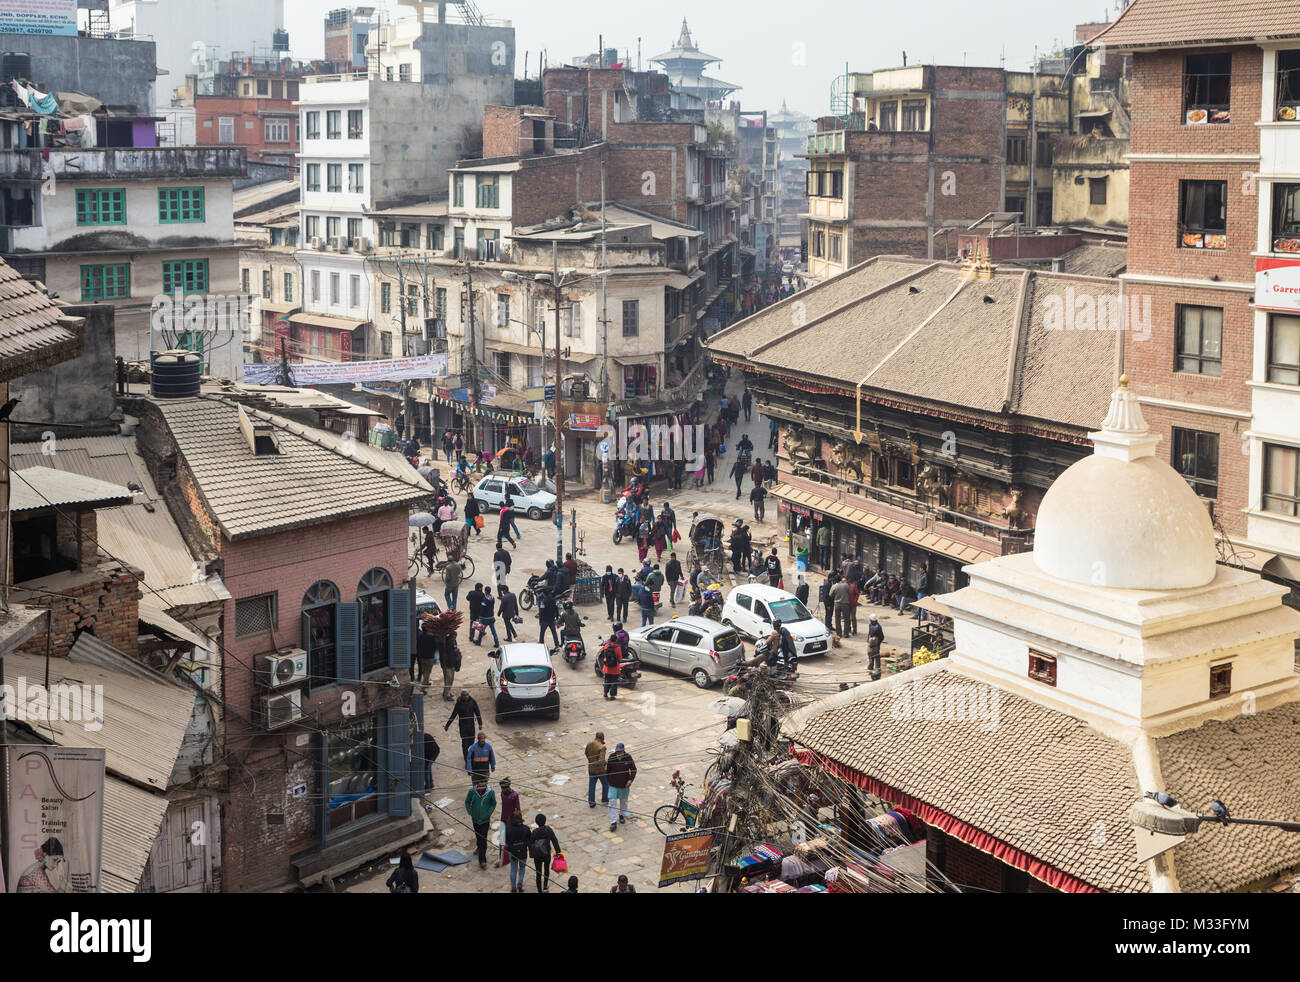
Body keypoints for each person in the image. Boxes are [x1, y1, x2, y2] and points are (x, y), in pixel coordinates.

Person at [465, 777, 497, 869]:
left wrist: (488, 813)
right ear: (477, 782)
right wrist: (470, 811)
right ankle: (479, 848)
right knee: (478, 835)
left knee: (483, 838)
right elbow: (467, 802)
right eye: (480, 782)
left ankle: (482, 860)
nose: (482, 784)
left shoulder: (490, 792)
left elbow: (493, 803)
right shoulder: (472, 791)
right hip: (475, 819)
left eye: (484, 781)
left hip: (485, 820)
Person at [605, 742, 637, 832]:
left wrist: (630, 780)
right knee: (612, 802)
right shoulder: (612, 757)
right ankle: (613, 822)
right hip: (613, 785)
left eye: (620, 751)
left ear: (623, 750)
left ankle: (622, 815)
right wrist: (609, 781)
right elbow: (607, 771)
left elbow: (634, 769)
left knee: (624, 801)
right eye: (617, 751)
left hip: (624, 785)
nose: (618, 753)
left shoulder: (628, 757)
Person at [444, 689, 483, 762]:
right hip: (463, 727)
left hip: (471, 726)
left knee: (471, 742)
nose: (466, 697)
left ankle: (469, 753)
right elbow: (453, 714)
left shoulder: (472, 702)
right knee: (465, 743)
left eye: (467, 695)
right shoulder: (459, 703)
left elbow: (477, 713)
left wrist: (480, 723)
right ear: (461, 696)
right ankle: (466, 759)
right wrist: (447, 725)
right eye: (464, 696)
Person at [529, 814, 562, 894]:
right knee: (546, 869)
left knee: (538, 872)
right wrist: (558, 852)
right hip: (546, 853)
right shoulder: (549, 830)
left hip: (537, 855)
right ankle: (545, 886)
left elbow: (531, 843)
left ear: (536, 822)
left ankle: (539, 890)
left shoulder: (535, 832)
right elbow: (554, 841)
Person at [497, 776, 522, 864]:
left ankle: (511, 856)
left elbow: (518, 808)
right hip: (503, 818)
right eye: (502, 788)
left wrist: (519, 820)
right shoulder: (502, 794)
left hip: (512, 820)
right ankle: (501, 857)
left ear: (509, 786)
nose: (504, 790)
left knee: (511, 839)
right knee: (502, 839)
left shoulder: (515, 795)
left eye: (505, 788)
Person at [505, 811, 531, 893]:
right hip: (523, 852)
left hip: (513, 853)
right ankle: (520, 883)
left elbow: (506, 842)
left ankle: (513, 888)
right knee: (522, 867)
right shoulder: (526, 829)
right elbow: (529, 841)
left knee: (513, 869)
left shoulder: (508, 829)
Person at [585, 731, 609, 807]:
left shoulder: (589, 744)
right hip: (600, 770)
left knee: (591, 786)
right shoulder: (602, 747)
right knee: (605, 784)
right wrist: (605, 763)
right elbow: (601, 761)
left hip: (591, 769)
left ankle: (591, 802)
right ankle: (605, 798)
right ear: (602, 738)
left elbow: (586, 753)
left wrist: (591, 761)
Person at [414, 619, 438, 686]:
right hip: (430, 656)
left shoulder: (420, 636)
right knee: (428, 670)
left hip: (422, 656)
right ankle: (425, 683)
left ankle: (425, 681)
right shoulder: (432, 636)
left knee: (424, 670)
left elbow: (418, 645)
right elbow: (435, 646)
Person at [601, 631, 623, 700]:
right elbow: (620, 658)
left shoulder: (606, 646)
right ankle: (612, 695)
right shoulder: (618, 647)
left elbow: (604, 654)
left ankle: (605, 693)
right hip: (615, 668)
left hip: (607, 667)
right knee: (614, 682)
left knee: (607, 680)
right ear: (616, 640)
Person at [440, 635, 462, 701]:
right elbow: (443, 655)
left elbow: (455, 652)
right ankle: (446, 695)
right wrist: (444, 665)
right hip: (447, 665)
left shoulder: (453, 642)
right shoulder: (445, 643)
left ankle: (447, 692)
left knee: (451, 680)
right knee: (448, 681)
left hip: (452, 664)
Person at [867, 613, 885, 679]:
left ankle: (877, 668)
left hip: (876, 643)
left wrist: (877, 643)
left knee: (876, 655)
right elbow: (869, 633)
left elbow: (882, 637)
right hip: (870, 642)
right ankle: (870, 667)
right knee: (870, 654)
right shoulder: (870, 625)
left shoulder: (878, 627)